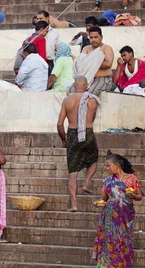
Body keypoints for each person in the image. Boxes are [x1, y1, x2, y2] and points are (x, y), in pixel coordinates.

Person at [93, 153, 143, 268]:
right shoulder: (108, 180)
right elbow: (104, 198)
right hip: (109, 217)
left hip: (125, 218)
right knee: (108, 247)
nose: (107, 168)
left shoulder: (131, 179)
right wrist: (98, 203)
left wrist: (132, 195)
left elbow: (139, 196)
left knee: (124, 246)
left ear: (117, 165)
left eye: (109, 165)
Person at [57, 76, 101, 212]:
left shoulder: (67, 100)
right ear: (87, 86)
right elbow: (91, 120)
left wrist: (64, 139)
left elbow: (59, 124)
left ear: (75, 85)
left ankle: (74, 205)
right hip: (87, 132)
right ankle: (87, 181)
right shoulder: (93, 100)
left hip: (72, 134)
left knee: (73, 172)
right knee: (94, 159)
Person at [73, 26, 114, 96]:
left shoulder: (106, 48)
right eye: (91, 38)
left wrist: (91, 61)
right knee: (71, 90)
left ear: (101, 37)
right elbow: (81, 64)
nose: (93, 40)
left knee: (89, 93)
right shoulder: (86, 48)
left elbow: (108, 64)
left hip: (102, 79)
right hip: (86, 78)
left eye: (96, 37)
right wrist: (94, 61)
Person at [36, 10, 60, 74]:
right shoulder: (33, 32)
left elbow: (57, 47)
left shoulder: (55, 32)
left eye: (41, 18)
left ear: (47, 18)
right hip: (37, 62)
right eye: (37, 19)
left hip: (50, 62)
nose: (39, 20)